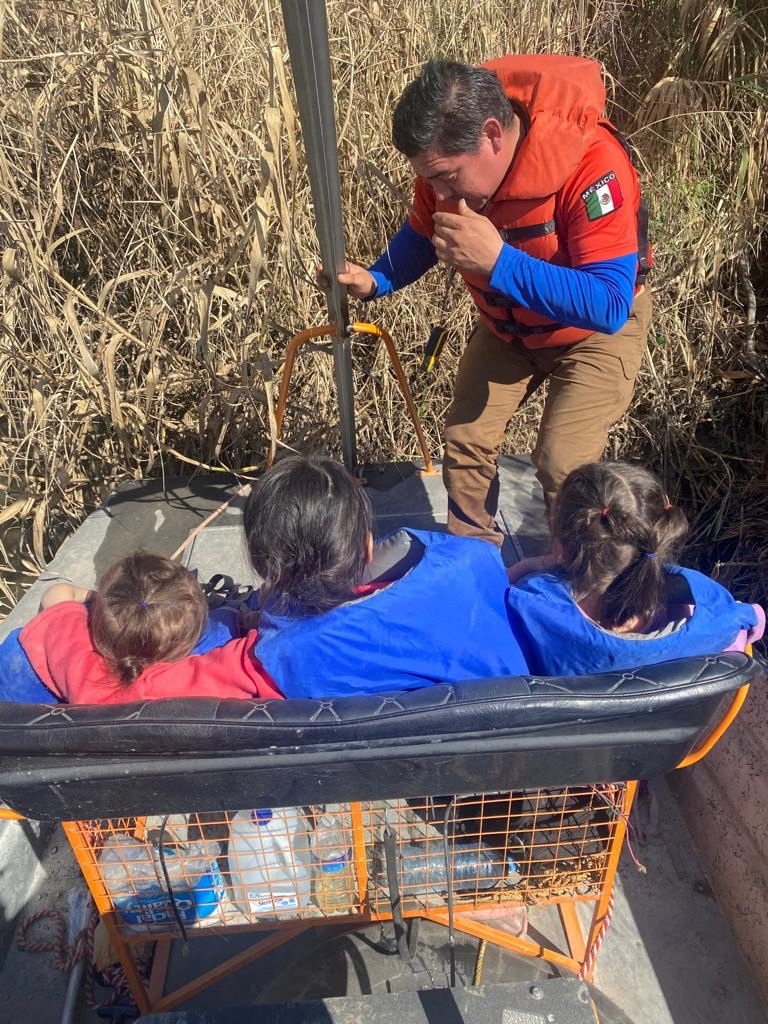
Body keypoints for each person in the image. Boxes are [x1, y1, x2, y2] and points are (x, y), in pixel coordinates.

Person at [331, 55, 651, 545]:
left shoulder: (593, 166)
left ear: (493, 135)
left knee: (563, 462)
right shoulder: (445, 162)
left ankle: (579, 576)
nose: (437, 191)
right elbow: (421, 234)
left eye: (447, 177)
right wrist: (376, 280)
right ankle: (472, 557)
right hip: (510, 326)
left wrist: (499, 261)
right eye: (429, 178)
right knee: (466, 439)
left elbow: (608, 303)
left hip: (592, 333)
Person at [242, 454, 528, 698]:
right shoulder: (474, 561)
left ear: (259, 562)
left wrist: (230, 619)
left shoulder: (273, 661)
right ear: (368, 548)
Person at [505, 462, 765, 676]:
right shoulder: (706, 612)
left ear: (560, 548)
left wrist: (530, 566)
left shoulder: (534, 603)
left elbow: (489, 602)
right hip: (651, 731)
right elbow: (751, 622)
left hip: (560, 729)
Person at [6, 552, 281, 705]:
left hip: (13, 710)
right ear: (179, 651)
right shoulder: (158, 686)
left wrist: (96, 600)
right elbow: (242, 667)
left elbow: (58, 593)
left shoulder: (66, 636)